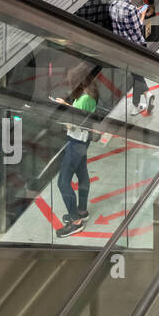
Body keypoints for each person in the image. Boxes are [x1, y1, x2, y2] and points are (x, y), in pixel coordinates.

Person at [53, 73, 99, 236]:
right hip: (81, 141)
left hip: (76, 142)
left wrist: (64, 107)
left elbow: (76, 123)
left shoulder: (85, 99)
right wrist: (66, 105)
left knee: (63, 181)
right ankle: (82, 211)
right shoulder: (87, 97)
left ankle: (75, 221)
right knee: (82, 174)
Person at [111, 0, 153, 115]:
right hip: (136, 47)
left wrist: (136, 13)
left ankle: (136, 106)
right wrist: (140, 16)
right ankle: (147, 93)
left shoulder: (113, 5)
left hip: (121, 46)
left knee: (136, 75)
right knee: (137, 74)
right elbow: (137, 29)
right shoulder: (131, 9)